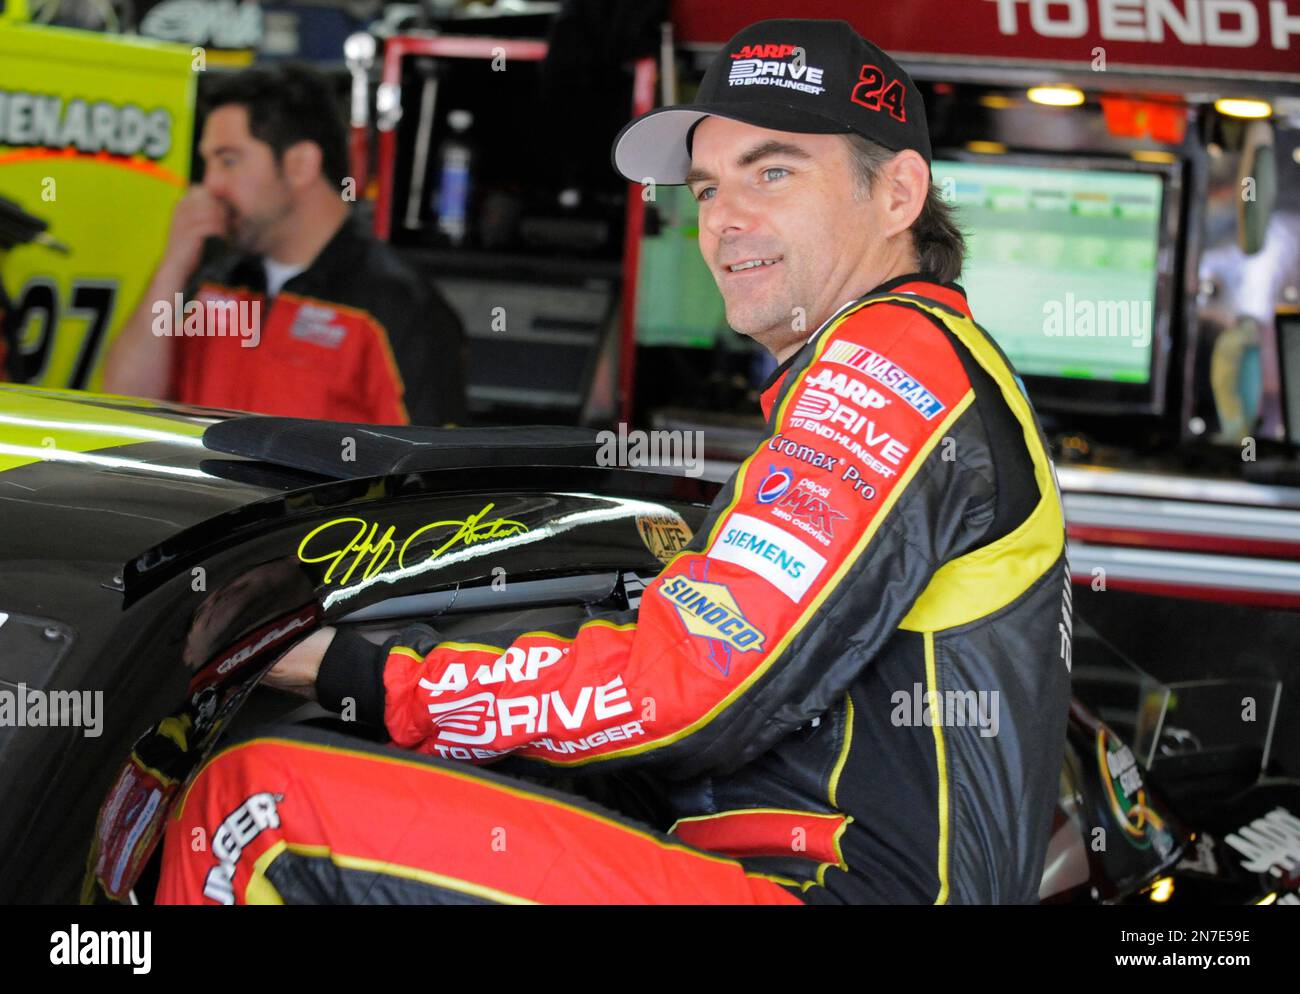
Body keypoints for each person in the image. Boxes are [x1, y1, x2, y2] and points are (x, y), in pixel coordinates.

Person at [155, 18, 1071, 905]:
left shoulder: (889, 361)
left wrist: (366, 675)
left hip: (818, 889)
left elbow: (703, 681)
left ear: (899, 194)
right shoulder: (910, 359)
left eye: (775, 173)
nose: (725, 221)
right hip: (758, 858)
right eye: (708, 189)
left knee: (259, 811)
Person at [101, 64, 465, 426]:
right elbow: (124, 409)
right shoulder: (210, 281)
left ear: (300, 165)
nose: (210, 184)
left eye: (228, 160)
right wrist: (173, 264)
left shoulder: (397, 307)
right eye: (206, 163)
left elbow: (430, 471)